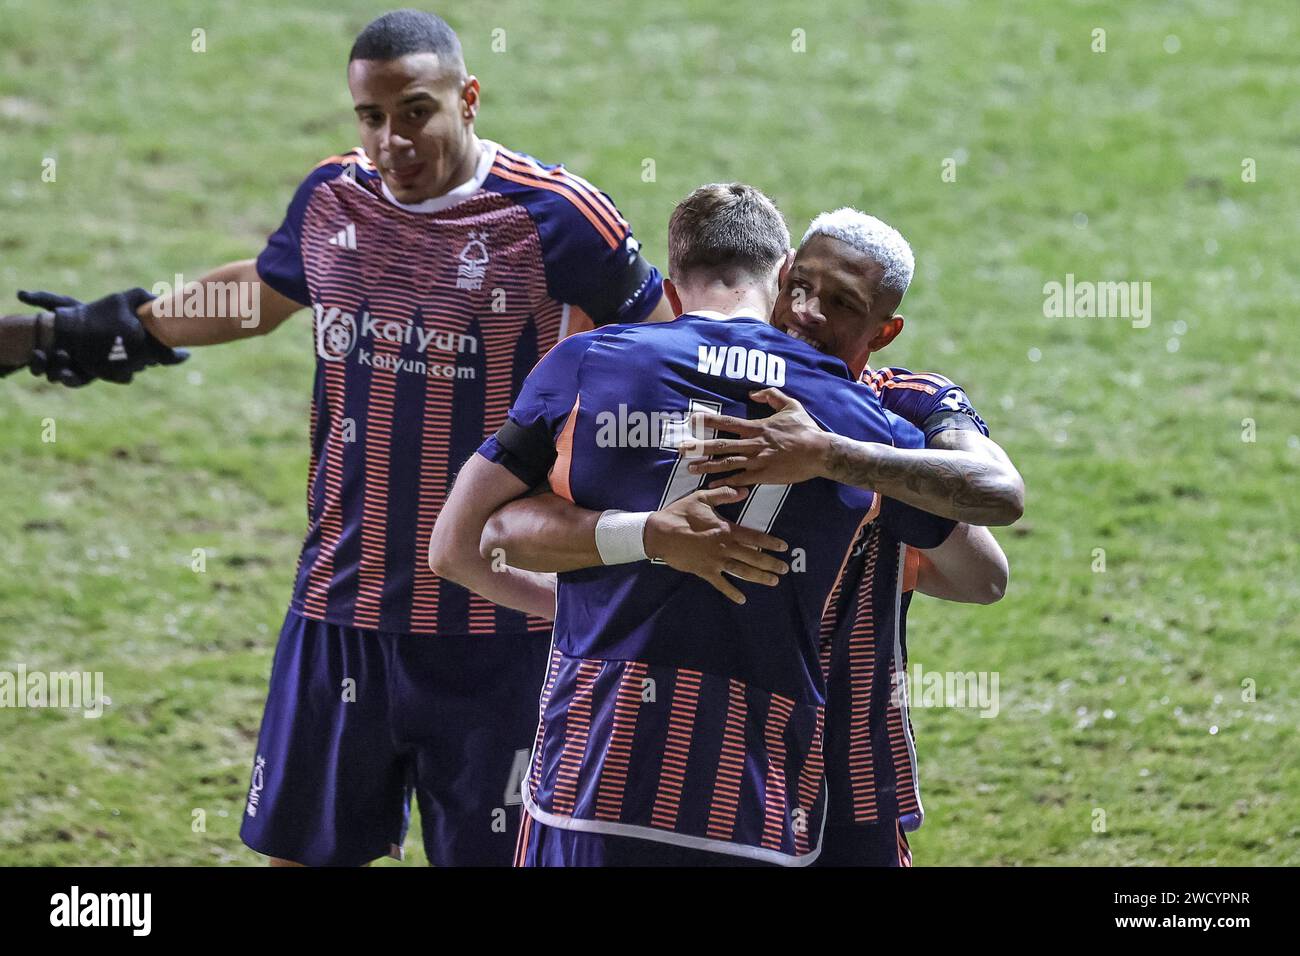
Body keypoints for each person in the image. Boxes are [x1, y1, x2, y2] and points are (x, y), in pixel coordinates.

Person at [9, 9, 672, 867]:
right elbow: (262, 293)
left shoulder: (556, 216)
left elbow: (668, 343)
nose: (392, 140)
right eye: (371, 116)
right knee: (300, 856)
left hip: (500, 619)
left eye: (416, 111)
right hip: (339, 600)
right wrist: (114, 333)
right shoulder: (333, 199)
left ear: (469, 99)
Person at [430, 184, 1007, 864]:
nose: (809, 312)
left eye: (842, 303)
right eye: (802, 288)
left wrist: (617, 568)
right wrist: (648, 544)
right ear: (782, 272)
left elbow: (464, 544)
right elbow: (984, 565)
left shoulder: (596, 364)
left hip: (603, 761)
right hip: (760, 781)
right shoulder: (870, 416)